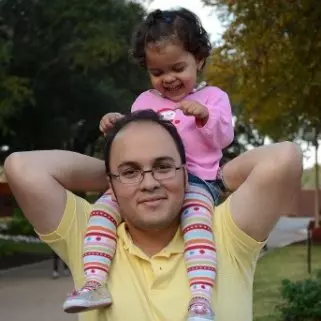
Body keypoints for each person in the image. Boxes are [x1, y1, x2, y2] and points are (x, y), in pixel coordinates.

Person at [4, 110, 302, 321]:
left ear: (186, 175)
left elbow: (284, 158)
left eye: (163, 166)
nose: (149, 183)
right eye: (132, 171)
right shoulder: (91, 236)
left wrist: (212, 181)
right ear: (111, 182)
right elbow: (22, 168)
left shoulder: (223, 232)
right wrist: (116, 172)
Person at [64, 8, 234, 320]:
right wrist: (116, 125)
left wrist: (205, 117)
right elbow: (134, 137)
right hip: (147, 179)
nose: (168, 79)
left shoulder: (213, 98)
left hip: (196, 180)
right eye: (157, 72)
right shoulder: (145, 102)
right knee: (102, 211)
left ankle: (200, 298)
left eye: (177, 67)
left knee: (198, 227)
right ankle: (94, 282)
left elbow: (224, 136)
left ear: (199, 59)